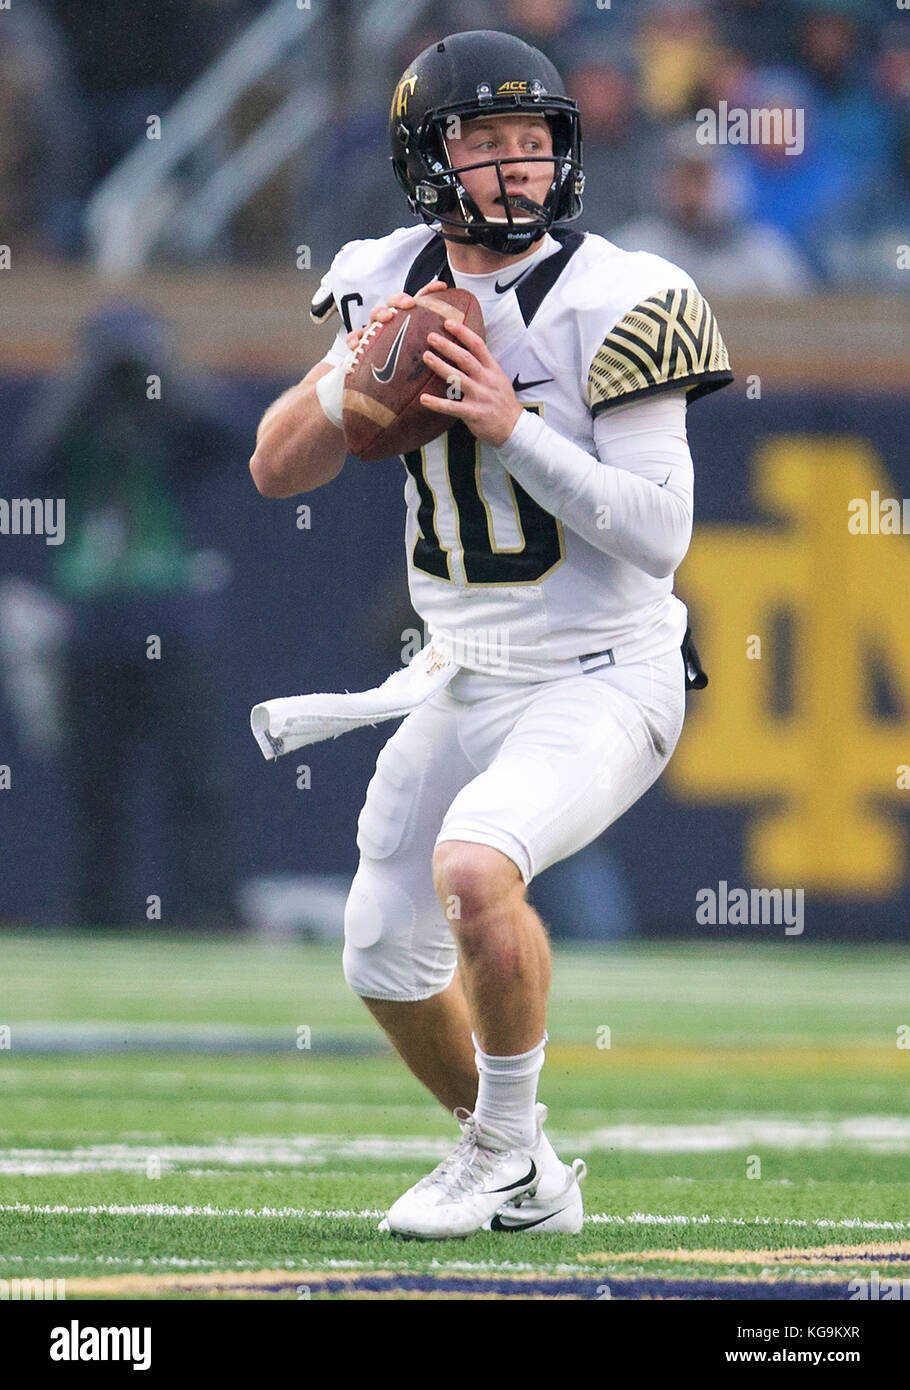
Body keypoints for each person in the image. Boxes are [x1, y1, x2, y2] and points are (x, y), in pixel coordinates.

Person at [250, 29, 732, 1240]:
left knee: (475, 867)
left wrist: (513, 428)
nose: (517, 168)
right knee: (377, 953)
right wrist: (357, 381)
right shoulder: (386, 277)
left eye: (535, 143)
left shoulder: (624, 295)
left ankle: (501, 1150)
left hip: (605, 670)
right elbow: (272, 468)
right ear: (427, 158)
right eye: (486, 143)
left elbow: (662, 532)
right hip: (463, 674)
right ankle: (523, 1162)